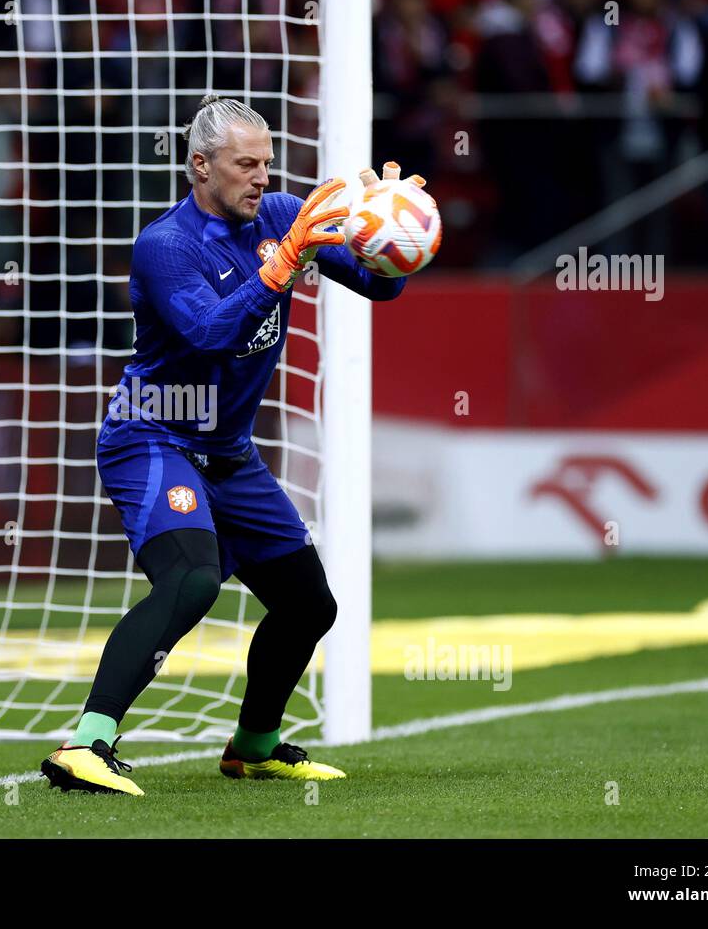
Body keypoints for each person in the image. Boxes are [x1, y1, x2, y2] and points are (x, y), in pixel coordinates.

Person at [39, 95, 423, 795]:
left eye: (268, 164)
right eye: (246, 164)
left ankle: (254, 745)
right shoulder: (167, 245)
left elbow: (378, 287)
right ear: (200, 166)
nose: (262, 179)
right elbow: (211, 333)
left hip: (230, 454)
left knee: (311, 606)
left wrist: (392, 231)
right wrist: (283, 266)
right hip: (152, 435)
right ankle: (86, 743)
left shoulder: (279, 217)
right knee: (191, 579)